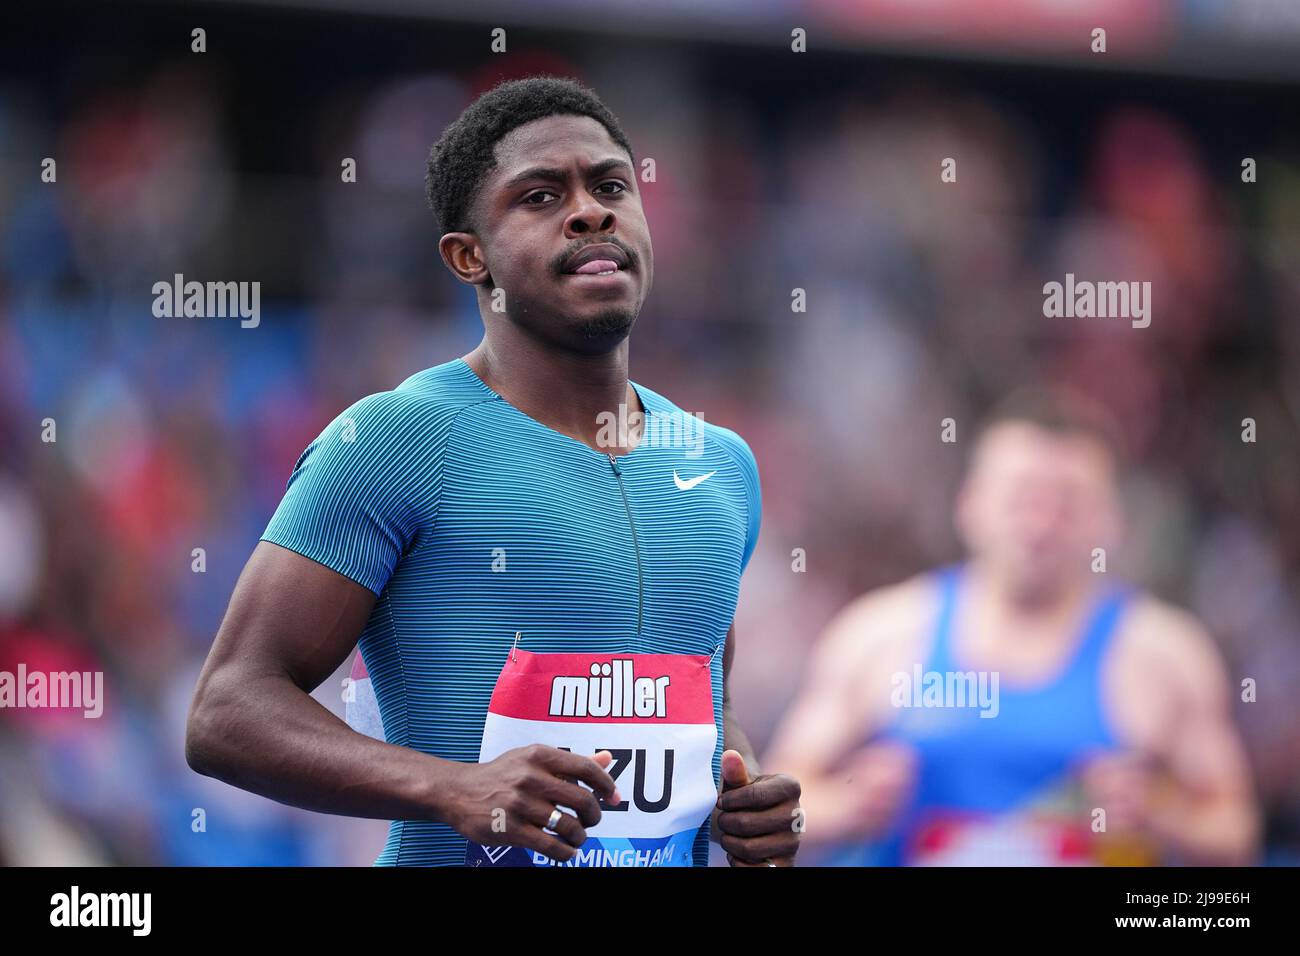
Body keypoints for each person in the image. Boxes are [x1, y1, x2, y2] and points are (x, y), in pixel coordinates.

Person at [186, 76, 799, 867]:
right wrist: (453, 787)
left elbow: (700, 711)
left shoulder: (720, 464)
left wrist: (743, 802)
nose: (590, 211)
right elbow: (227, 710)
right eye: (540, 197)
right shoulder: (396, 438)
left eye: (612, 185)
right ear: (469, 256)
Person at [765, 391, 1258, 865]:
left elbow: (1236, 834)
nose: (1041, 524)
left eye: (1066, 503)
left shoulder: (1165, 656)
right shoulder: (878, 637)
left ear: (1110, 521)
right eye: (1021, 498)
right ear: (969, 503)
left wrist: (1159, 812)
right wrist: (848, 807)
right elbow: (769, 813)